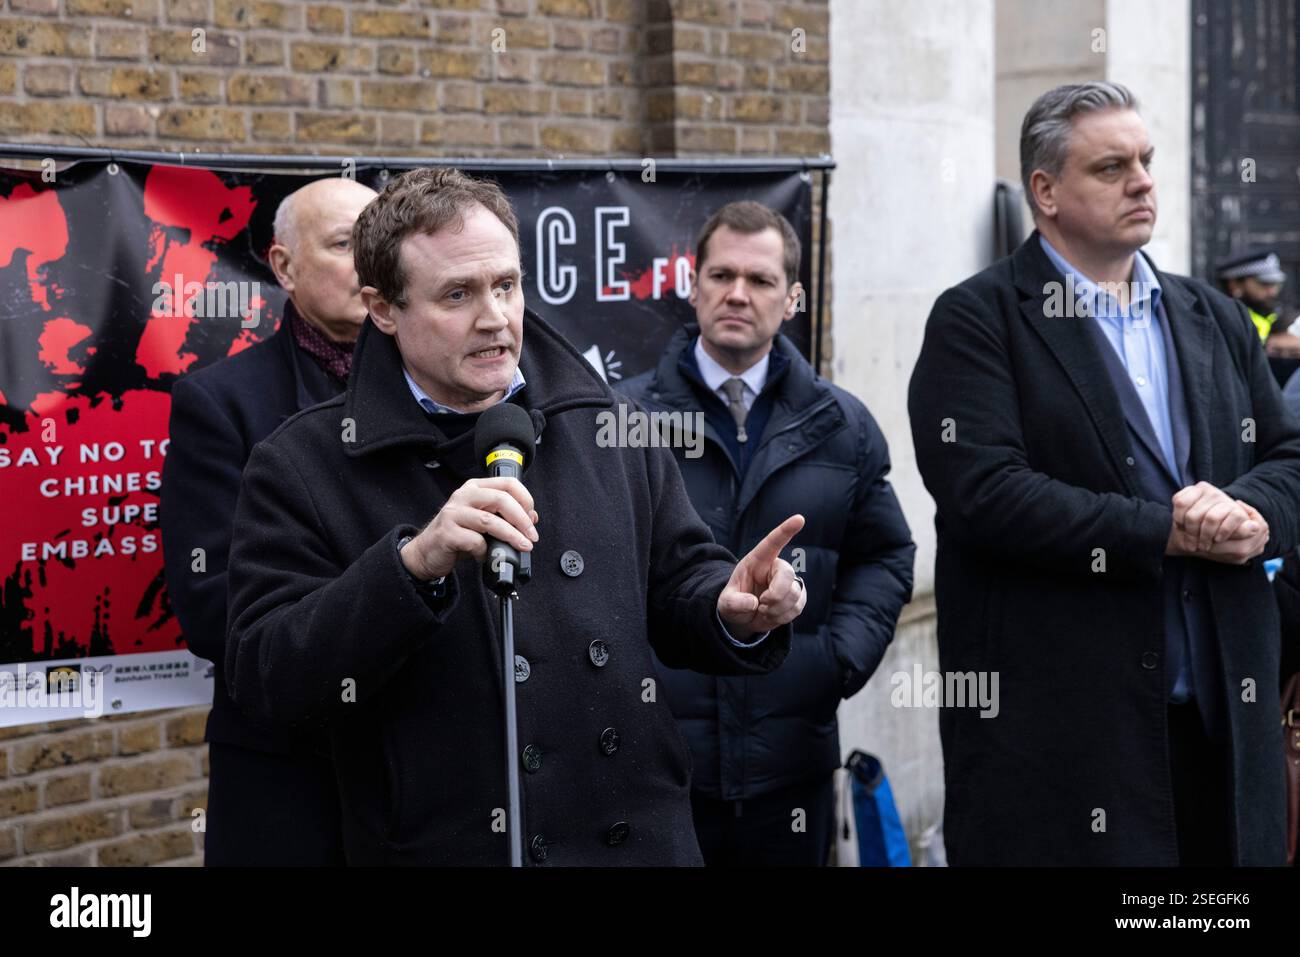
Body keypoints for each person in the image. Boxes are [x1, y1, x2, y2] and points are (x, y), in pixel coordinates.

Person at [223, 167, 809, 866]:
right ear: (383, 309)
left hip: (637, 841)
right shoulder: (304, 464)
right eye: (457, 294)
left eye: (506, 285)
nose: (495, 317)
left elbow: (678, 580)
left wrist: (730, 606)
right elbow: (265, 673)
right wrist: (412, 567)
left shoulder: (611, 427)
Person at [908, 81, 1300, 865]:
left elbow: (1287, 455)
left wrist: (1251, 513)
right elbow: (986, 491)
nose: (1144, 181)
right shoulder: (978, 320)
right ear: (1045, 192)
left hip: (1223, 733)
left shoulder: (1212, 316)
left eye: (1147, 160)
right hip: (1071, 750)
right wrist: (1170, 532)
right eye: (1112, 166)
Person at [618, 201, 914, 866]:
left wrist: (834, 660)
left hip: (792, 767)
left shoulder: (844, 424)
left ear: (793, 299)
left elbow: (887, 553)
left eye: (760, 280)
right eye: (720, 275)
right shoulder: (623, 421)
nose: (737, 294)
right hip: (657, 763)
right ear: (691, 287)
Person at [160, 176, 377, 865]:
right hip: (292, 781)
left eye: (383, 244)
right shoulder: (221, 404)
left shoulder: (450, 390)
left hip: (432, 779)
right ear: (283, 266)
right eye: (347, 245)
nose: (371, 265)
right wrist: (394, 590)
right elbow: (212, 605)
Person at [1214, 248, 1288, 344]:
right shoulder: (1220, 319)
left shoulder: (1279, 315)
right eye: (1264, 283)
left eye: (1275, 284)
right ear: (1234, 284)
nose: (1272, 292)